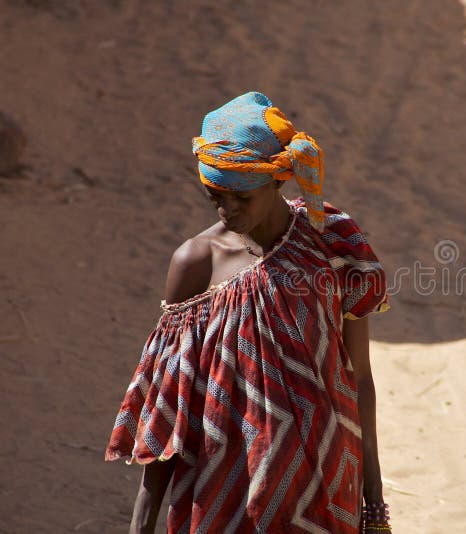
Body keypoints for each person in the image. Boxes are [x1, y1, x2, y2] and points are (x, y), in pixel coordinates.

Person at [105, 91, 392, 533]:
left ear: (279, 181)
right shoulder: (196, 263)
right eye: (215, 195)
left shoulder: (331, 241)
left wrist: (373, 505)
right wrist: (142, 523)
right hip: (229, 497)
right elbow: (170, 404)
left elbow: (359, 378)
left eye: (242, 196)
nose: (227, 209)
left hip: (327, 488)